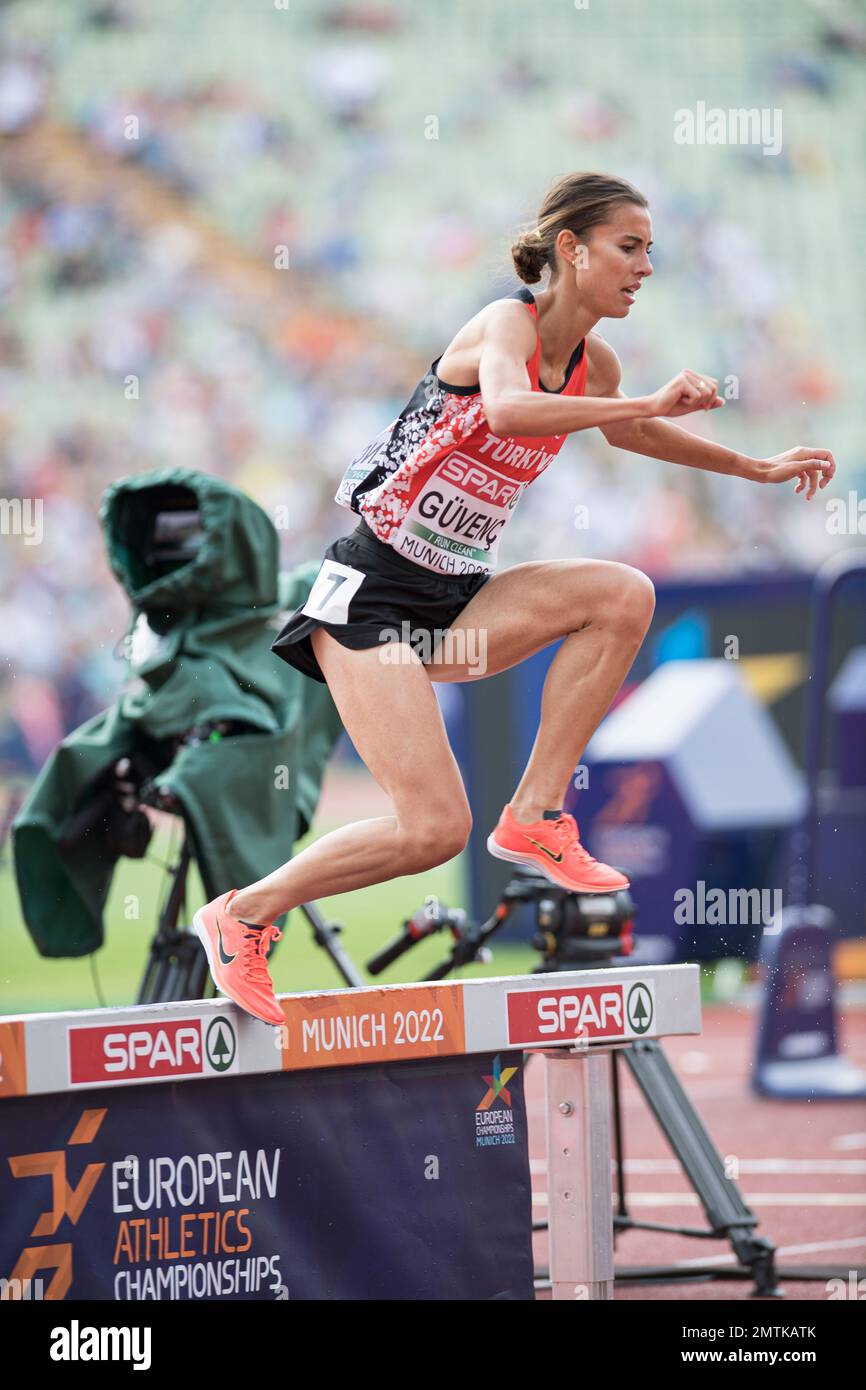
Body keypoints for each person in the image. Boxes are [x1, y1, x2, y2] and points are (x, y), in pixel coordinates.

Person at [193, 170, 836, 1026]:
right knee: (431, 831)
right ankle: (241, 915)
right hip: (371, 604)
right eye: (629, 247)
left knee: (621, 594)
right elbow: (504, 410)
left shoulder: (595, 363)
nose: (645, 267)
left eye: (650, 250)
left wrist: (756, 467)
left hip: (456, 609)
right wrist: (642, 397)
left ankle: (534, 813)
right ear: (570, 249)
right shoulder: (507, 322)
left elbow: (630, 429)